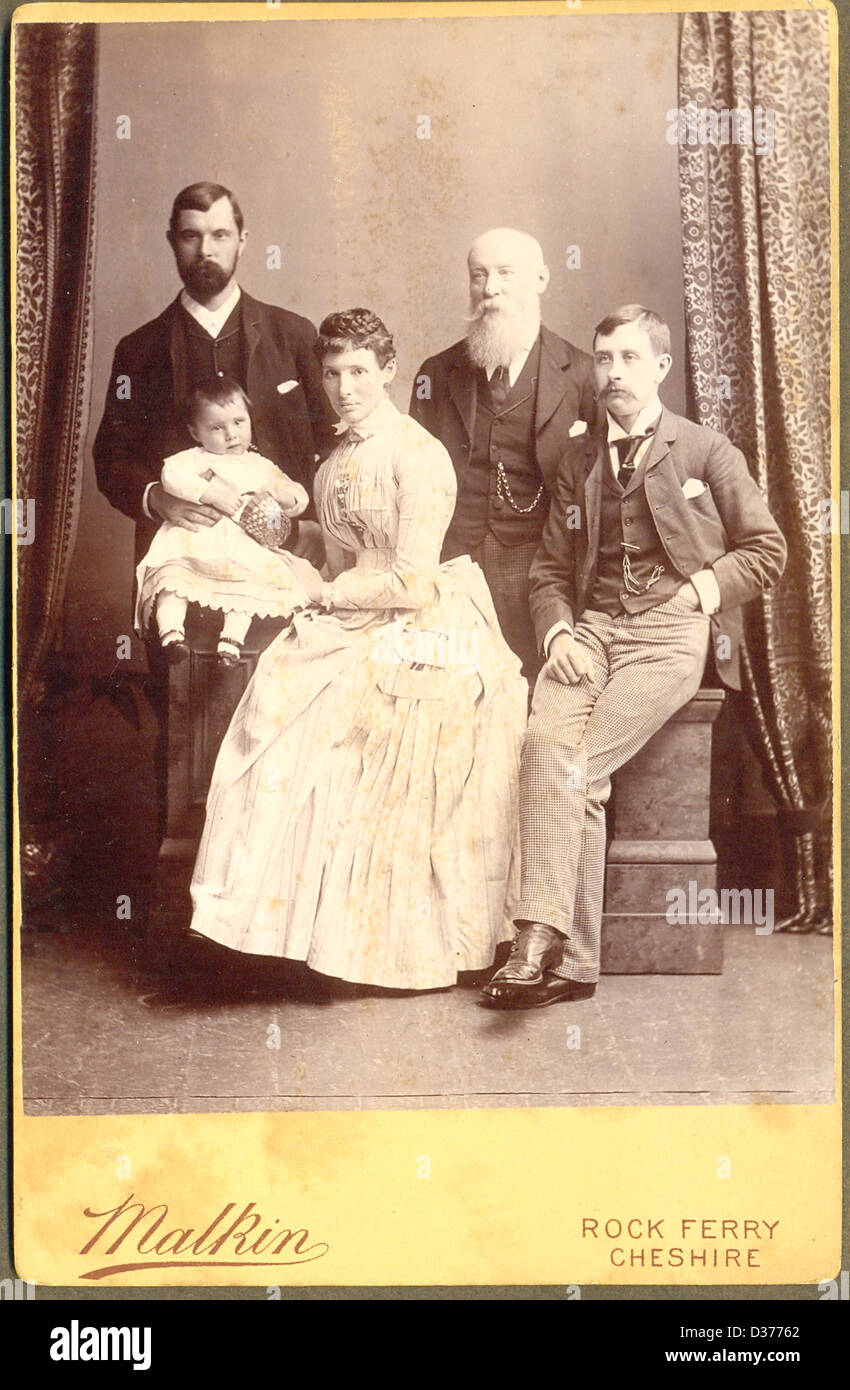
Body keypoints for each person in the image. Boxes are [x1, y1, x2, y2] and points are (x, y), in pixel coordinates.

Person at [188, 309, 528, 991]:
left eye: (360, 373)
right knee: (280, 706)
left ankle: (371, 948)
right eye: (334, 373)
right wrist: (290, 548)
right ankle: (273, 933)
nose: (345, 388)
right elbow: (343, 556)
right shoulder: (334, 462)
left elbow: (408, 581)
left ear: (389, 372)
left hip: (432, 621)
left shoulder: (417, 455)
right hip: (360, 610)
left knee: (361, 721)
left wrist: (331, 598)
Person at [482, 304, 787, 1009]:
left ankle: (538, 942)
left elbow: (767, 550)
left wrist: (701, 592)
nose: (612, 373)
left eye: (627, 358)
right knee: (544, 746)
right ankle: (573, 963)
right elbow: (551, 570)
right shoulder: (579, 459)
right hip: (590, 633)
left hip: (668, 637)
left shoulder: (707, 452)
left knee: (575, 765)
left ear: (661, 367)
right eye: (603, 359)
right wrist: (557, 633)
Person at [93, 181, 335, 826]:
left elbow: (332, 447)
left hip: (278, 571)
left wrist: (306, 525)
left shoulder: (293, 336)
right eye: (192, 235)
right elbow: (110, 460)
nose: (207, 249)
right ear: (174, 241)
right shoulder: (138, 350)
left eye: (220, 235)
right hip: (182, 566)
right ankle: (186, 902)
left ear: (243, 242)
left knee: (284, 731)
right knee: (185, 729)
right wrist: (156, 500)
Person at [410, 227, 595, 682]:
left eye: (505, 273)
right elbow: (412, 479)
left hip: (539, 571)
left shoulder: (584, 375)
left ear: (541, 279)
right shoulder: (436, 372)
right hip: (451, 567)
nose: (489, 288)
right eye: (478, 275)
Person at [134, 377, 310, 667]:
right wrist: (210, 494)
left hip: (241, 543)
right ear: (195, 432)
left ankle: (231, 641)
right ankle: (171, 634)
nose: (231, 435)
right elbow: (171, 477)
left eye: (239, 422)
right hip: (196, 537)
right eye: (217, 428)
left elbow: (298, 493)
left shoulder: (260, 465)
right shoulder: (193, 459)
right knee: (173, 579)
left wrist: (280, 496)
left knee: (248, 584)